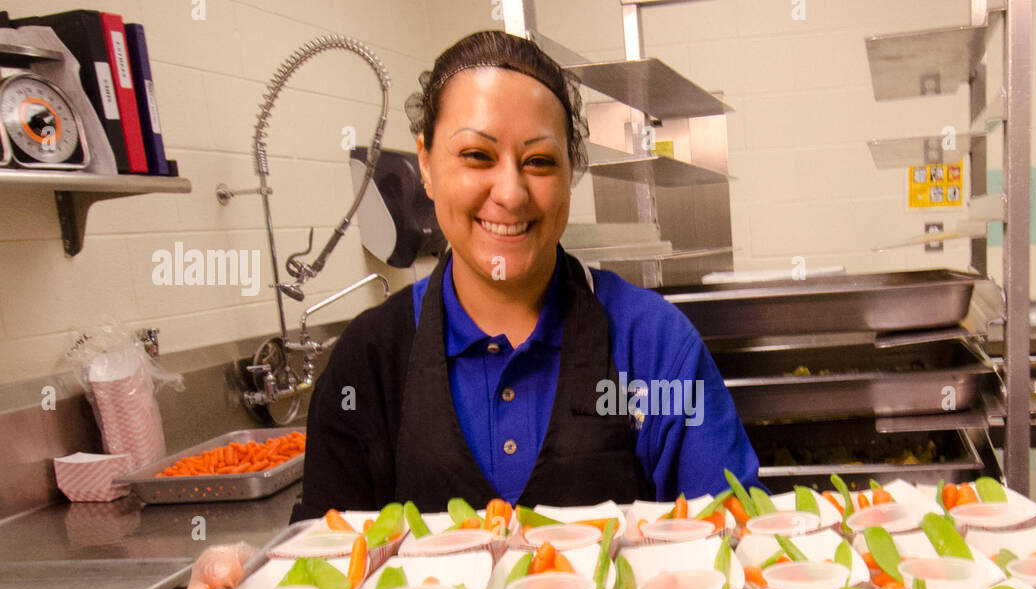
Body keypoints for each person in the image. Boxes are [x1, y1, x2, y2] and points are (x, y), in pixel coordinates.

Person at [290, 31, 761, 525]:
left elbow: (741, 538)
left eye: (539, 161)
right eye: (477, 155)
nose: (511, 194)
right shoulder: (367, 363)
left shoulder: (655, 347)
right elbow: (320, 565)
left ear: (570, 174)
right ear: (426, 163)